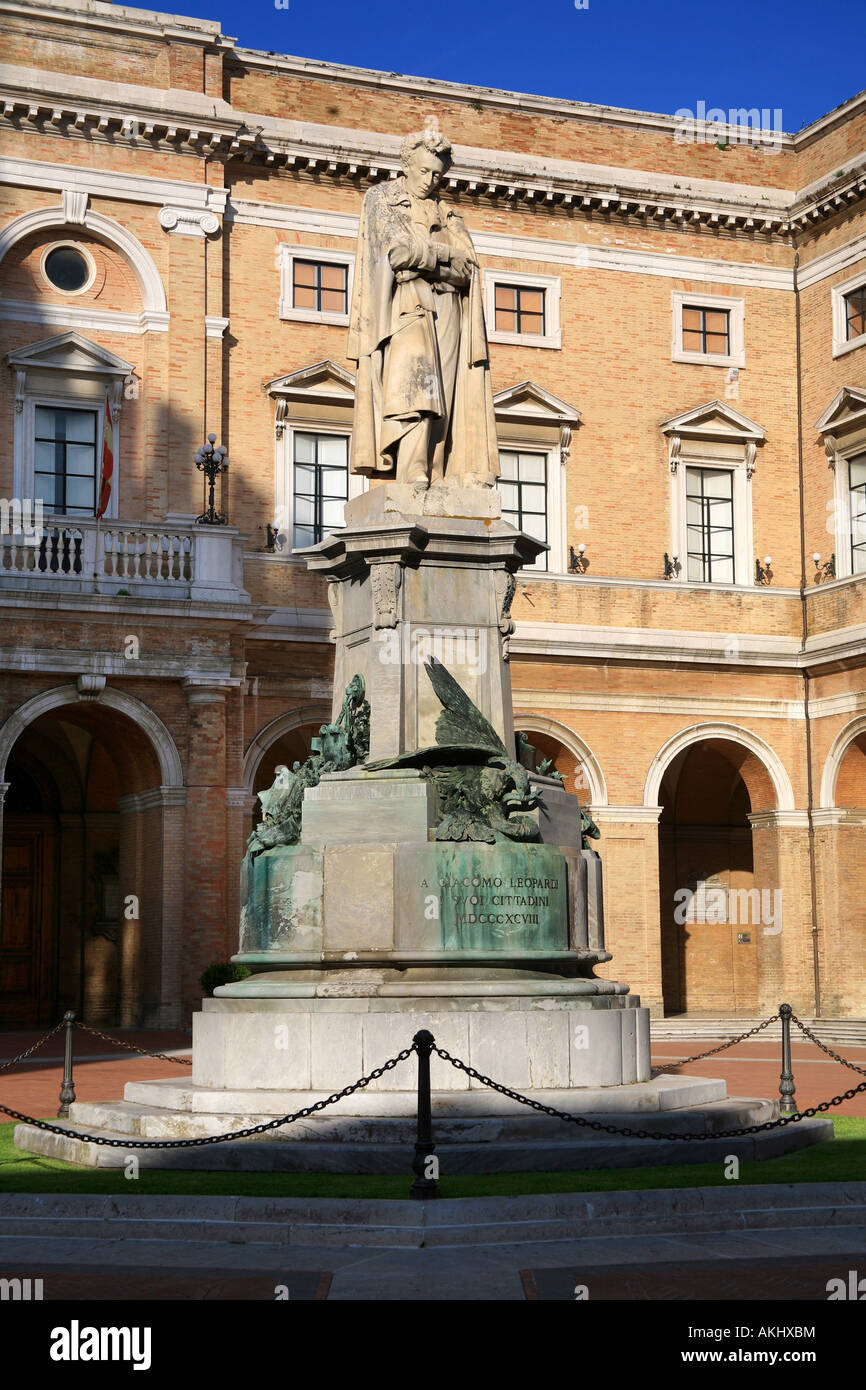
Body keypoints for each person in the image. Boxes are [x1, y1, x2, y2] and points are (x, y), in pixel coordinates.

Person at [347, 128, 499, 491]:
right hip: (405, 307)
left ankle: (437, 471)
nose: (430, 181)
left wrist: (431, 258)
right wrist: (444, 256)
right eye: (423, 171)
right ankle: (412, 468)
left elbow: (467, 269)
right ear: (407, 166)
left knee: (444, 392)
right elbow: (395, 254)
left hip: (448, 311)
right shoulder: (382, 199)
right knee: (414, 384)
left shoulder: (449, 216)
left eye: (437, 175)